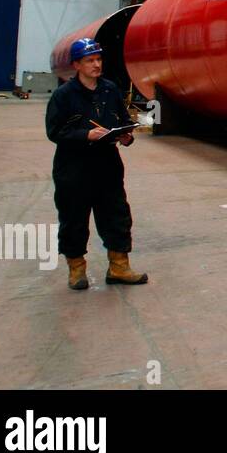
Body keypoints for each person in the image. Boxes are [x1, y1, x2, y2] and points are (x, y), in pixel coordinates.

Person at [44, 37, 149, 290]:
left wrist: (125, 136)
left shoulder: (110, 89)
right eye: (90, 60)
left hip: (107, 166)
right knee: (74, 218)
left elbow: (123, 118)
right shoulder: (64, 96)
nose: (96, 64)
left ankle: (119, 267)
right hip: (74, 168)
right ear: (77, 64)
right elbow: (54, 132)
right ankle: (76, 269)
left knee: (116, 215)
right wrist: (85, 135)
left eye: (99, 59)